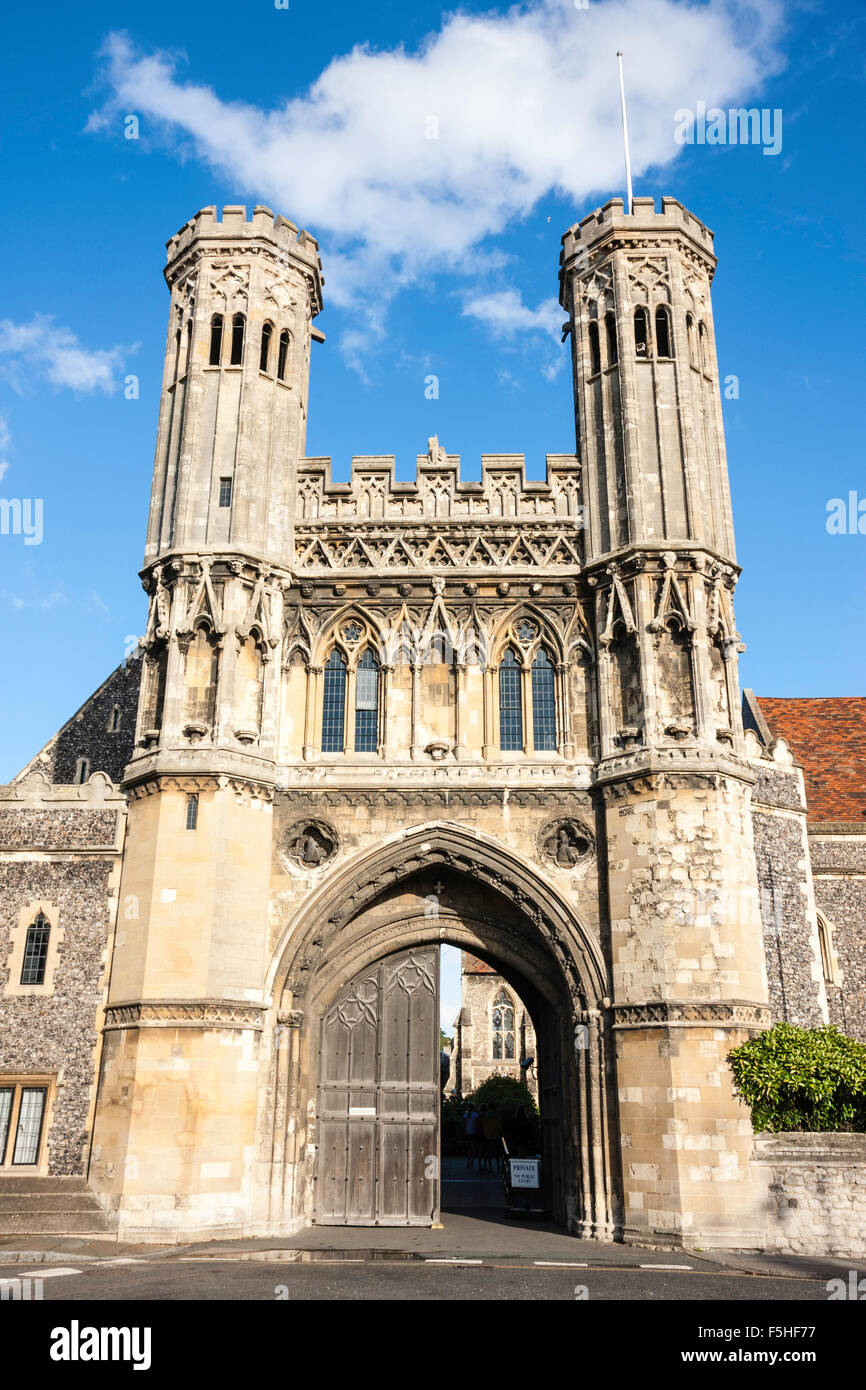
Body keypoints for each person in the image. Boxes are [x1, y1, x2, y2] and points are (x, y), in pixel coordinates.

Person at [481, 1102, 503, 1172]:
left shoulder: (486, 1115)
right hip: (495, 1135)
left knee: (489, 1152)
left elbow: (483, 1125)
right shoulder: (496, 1115)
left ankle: (490, 1166)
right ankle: (498, 1165)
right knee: (496, 1151)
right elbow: (499, 1125)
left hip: (487, 1135)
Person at [463, 1101, 480, 1169]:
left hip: (467, 1132)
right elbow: (477, 1124)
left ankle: (468, 1162)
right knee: (473, 1149)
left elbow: (464, 1124)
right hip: (473, 1132)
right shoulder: (475, 1115)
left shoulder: (466, 1114)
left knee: (469, 1149)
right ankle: (472, 1162)